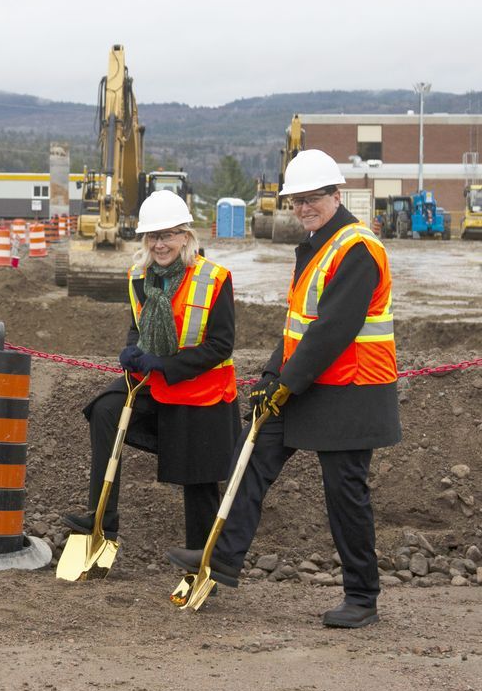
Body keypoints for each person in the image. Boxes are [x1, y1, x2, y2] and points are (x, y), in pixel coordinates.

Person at [168, 149, 400, 629]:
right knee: (253, 455)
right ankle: (223, 557)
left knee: (345, 494)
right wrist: (273, 377)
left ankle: (362, 597)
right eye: (296, 200)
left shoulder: (357, 248)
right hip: (310, 384)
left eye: (312, 198)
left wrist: (287, 383)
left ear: (336, 195)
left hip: (352, 392)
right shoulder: (317, 243)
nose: (302, 208)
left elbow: (333, 330)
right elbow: (298, 326)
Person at [61, 190, 240, 553]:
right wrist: (133, 350)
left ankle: (202, 558)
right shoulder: (139, 276)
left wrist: (167, 364)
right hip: (155, 382)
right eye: (154, 236)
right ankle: (102, 519)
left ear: (185, 237)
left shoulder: (214, 278)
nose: (161, 244)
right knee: (105, 409)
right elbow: (137, 327)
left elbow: (221, 346)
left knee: (198, 476)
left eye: (169, 235)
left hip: (202, 388)